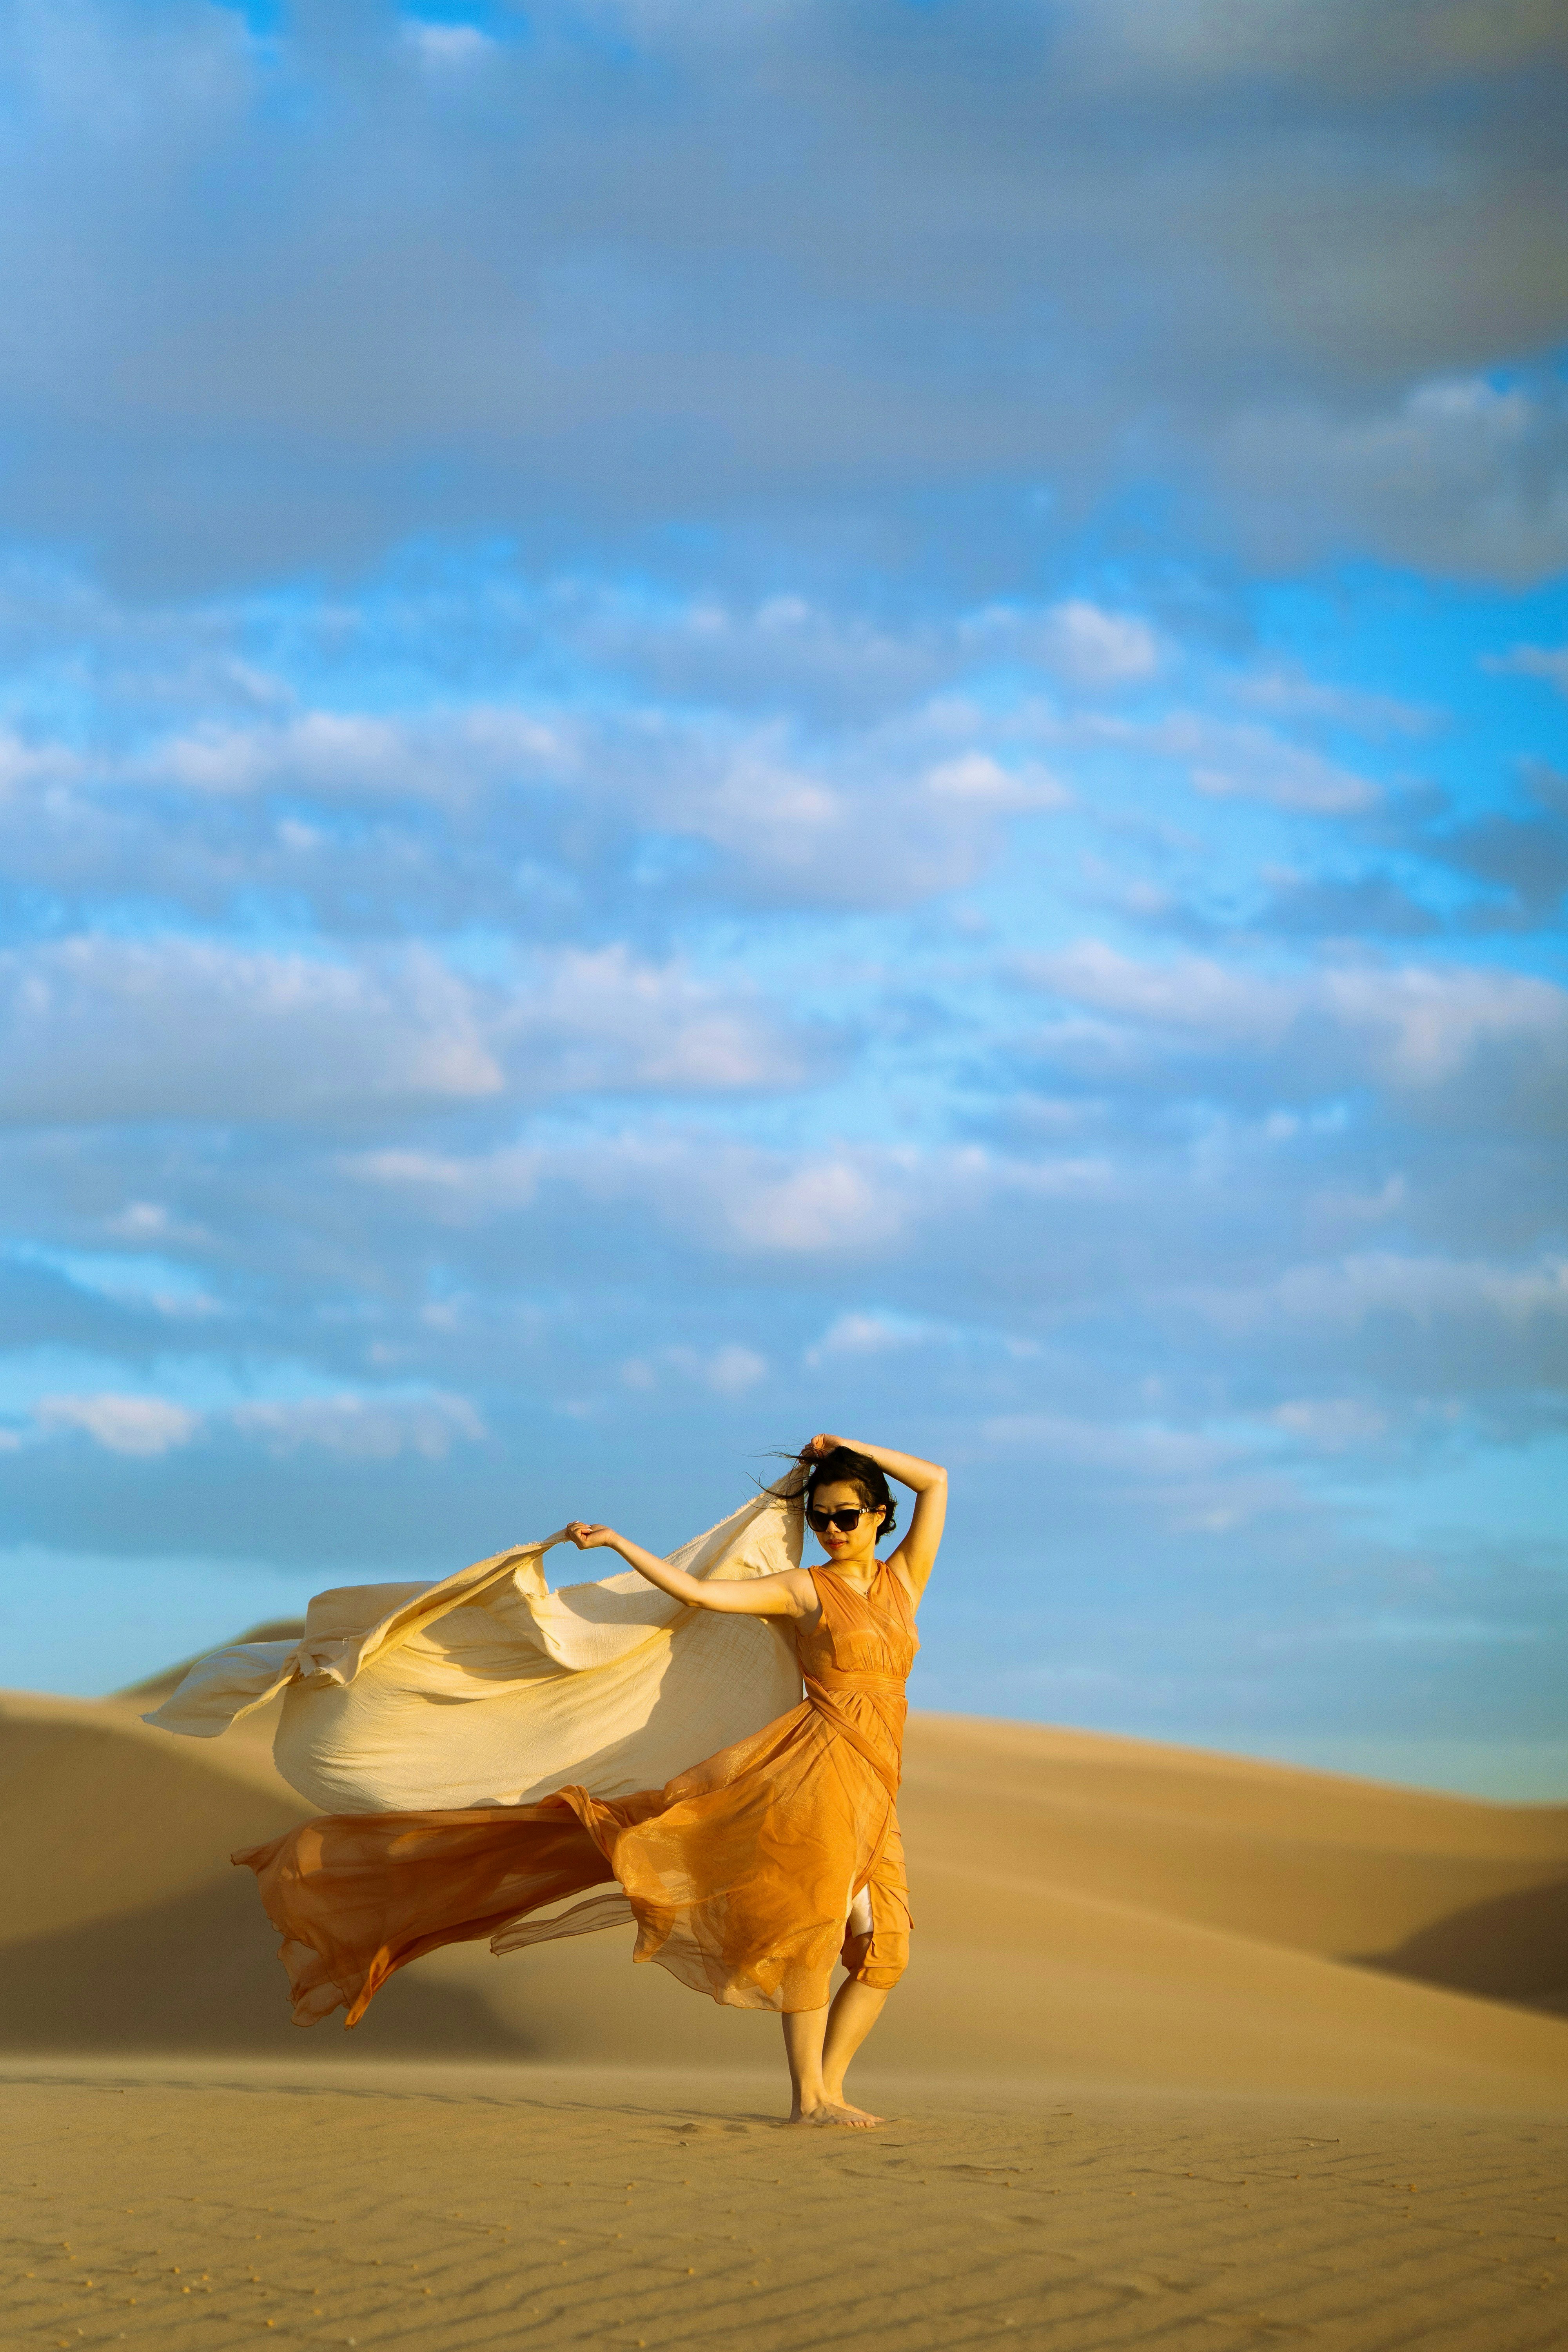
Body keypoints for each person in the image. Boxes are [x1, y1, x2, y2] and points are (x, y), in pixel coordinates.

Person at [235, 1432, 947, 2130]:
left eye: (846, 1516)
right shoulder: (804, 1590)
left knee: (885, 1951)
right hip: (815, 1773)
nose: (830, 1530)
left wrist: (848, 1446)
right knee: (812, 1931)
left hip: (878, 1781)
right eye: (819, 1517)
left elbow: (937, 1481)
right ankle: (810, 2098)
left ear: (881, 1516)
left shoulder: (903, 1580)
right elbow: (698, 1592)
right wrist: (620, 1545)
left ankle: (833, 2086)